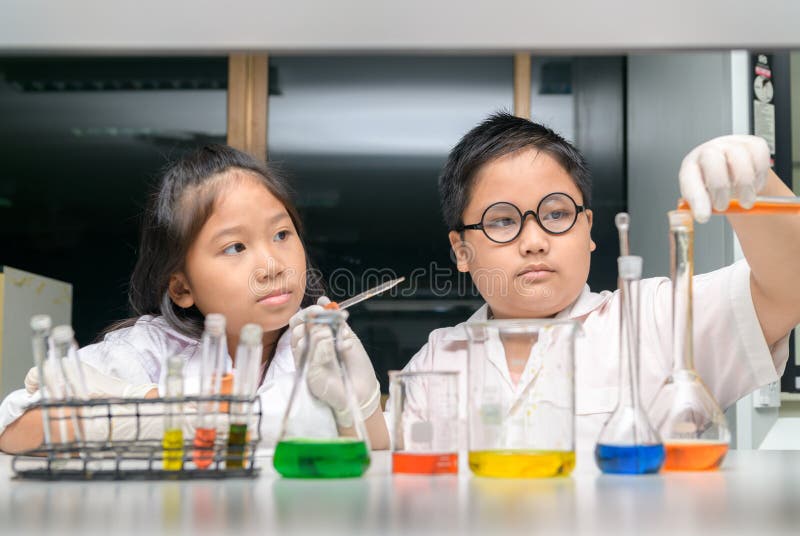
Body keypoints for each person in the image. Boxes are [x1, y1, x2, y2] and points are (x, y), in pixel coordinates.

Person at [396, 112, 799, 457]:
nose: (534, 242)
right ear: (462, 251)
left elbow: (787, 289)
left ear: (587, 227)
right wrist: (353, 402)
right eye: (502, 221)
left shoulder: (655, 318)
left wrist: (759, 190)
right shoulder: (439, 359)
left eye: (556, 214)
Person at [0, 145, 389, 453]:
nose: (272, 265)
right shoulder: (150, 350)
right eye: (236, 247)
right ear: (182, 287)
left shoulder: (319, 349)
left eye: (282, 235)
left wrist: (361, 404)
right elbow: (15, 428)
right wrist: (153, 406)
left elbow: (377, 457)